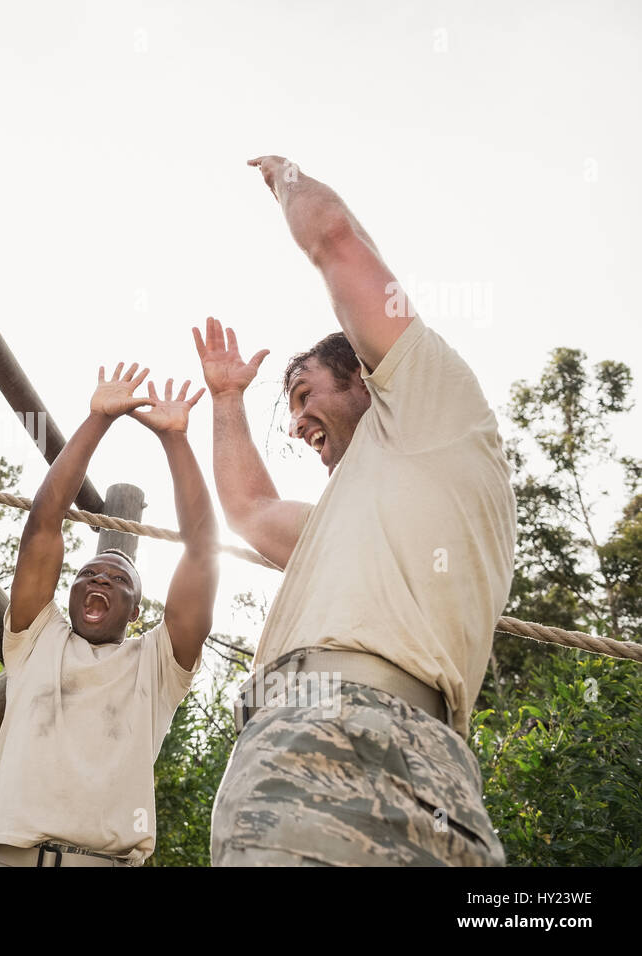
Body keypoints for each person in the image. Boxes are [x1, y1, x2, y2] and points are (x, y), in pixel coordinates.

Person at [201, 156, 516, 866]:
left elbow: (338, 241)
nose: (299, 420)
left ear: (369, 378)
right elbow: (250, 509)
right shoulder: (355, 516)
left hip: (340, 732)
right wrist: (226, 401)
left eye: (308, 392)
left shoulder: (432, 406)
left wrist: (286, 178)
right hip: (417, 758)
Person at [0, 363, 218, 867]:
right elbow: (44, 521)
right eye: (88, 573)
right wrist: (97, 420)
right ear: (69, 591)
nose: (101, 579)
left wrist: (175, 440)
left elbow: (201, 553)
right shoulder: (36, 639)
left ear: (135, 612)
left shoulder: (156, 665)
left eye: (119, 579)